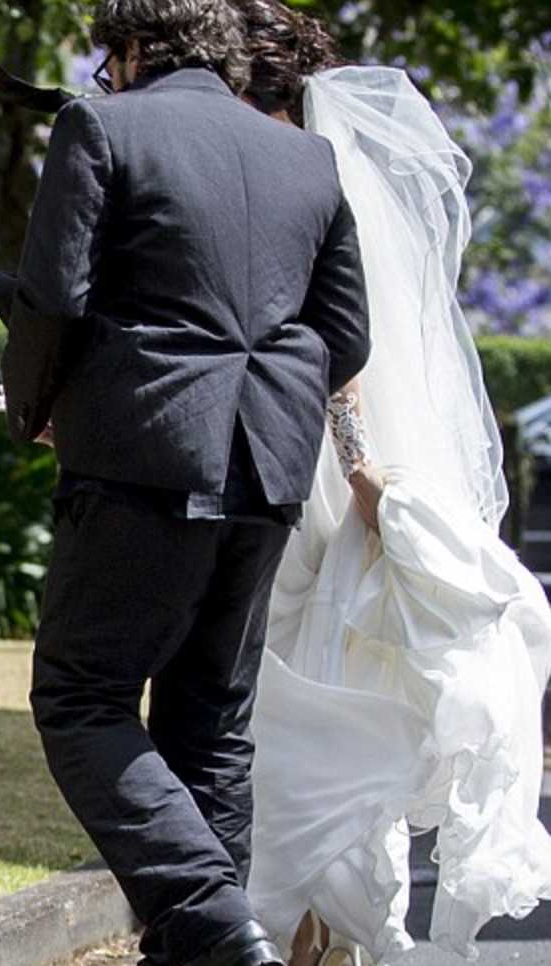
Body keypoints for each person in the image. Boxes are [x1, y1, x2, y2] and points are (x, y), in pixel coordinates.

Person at [0, 0, 372, 963]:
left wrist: (35, 407)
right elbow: (346, 336)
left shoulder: (100, 127)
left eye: (106, 61)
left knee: (81, 697)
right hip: (271, 468)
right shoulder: (308, 158)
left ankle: (210, 919)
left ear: (131, 50)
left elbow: (52, 300)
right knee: (212, 724)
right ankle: (205, 948)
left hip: (143, 459)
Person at [227, 4, 551, 964]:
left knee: (303, 679)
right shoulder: (314, 169)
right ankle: (313, 920)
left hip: (316, 466)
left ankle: (309, 920)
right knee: (306, 682)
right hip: (302, 454)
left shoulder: (299, 177)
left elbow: (345, 340)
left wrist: (360, 465)